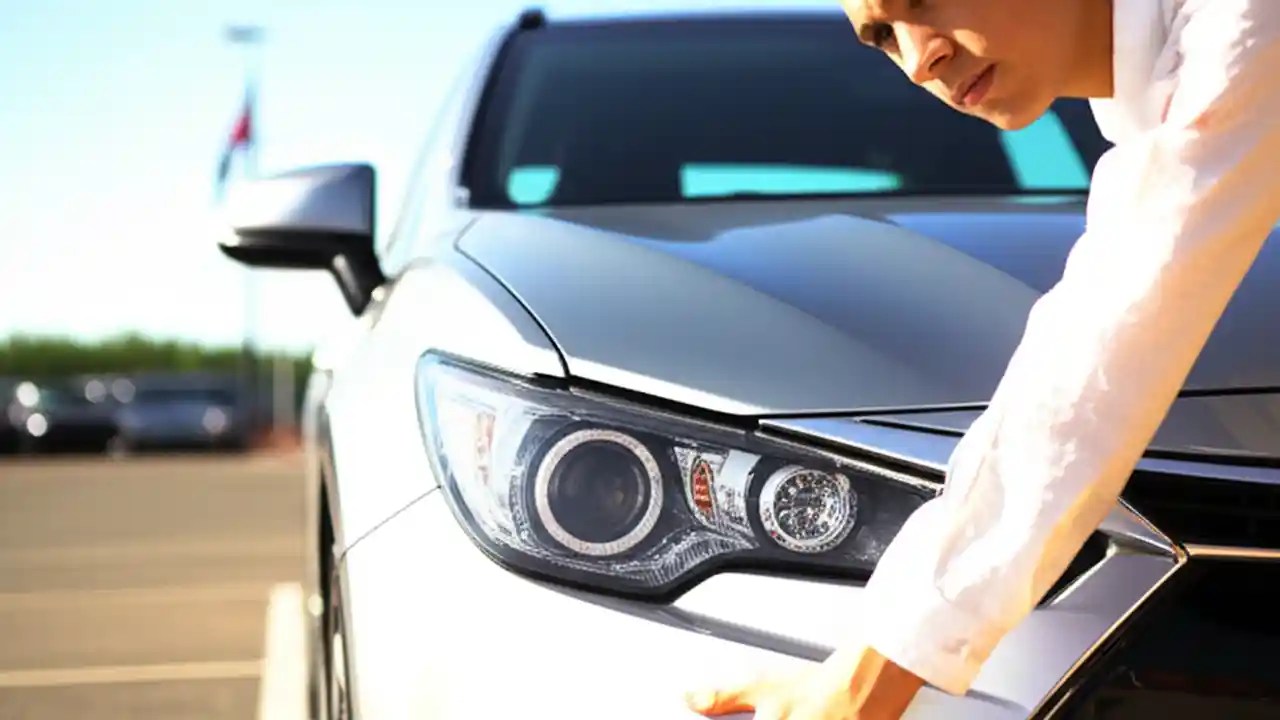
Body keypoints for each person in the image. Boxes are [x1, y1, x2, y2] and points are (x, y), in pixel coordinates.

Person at [685, 0, 1280, 718]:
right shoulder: (1164, 98)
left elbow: (1109, 345)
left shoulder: (1242, 24)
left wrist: (867, 681)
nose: (916, 59)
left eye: (923, 0)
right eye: (881, 37)